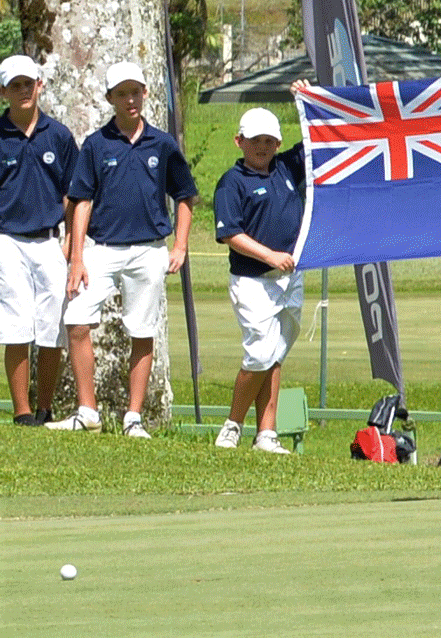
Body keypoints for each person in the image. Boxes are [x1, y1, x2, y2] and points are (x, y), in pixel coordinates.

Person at [46, 62, 198, 435]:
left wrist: (180, 245)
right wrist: (77, 258)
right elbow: (82, 201)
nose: (130, 100)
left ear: (144, 94)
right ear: (110, 98)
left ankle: (134, 417)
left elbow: (184, 195)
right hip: (102, 249)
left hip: (149, 250)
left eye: (135, 92)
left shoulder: (162, 143)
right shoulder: (96, 144)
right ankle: (88, 412)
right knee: (76, 321)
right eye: (121, 94)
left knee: (142, 332)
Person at [211, 103, 309, 454]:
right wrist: (270, 256)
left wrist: (305, 100)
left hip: (289, 279)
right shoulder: (232, 182)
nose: (262, 147)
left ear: (278, 143)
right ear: (239, 141)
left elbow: (316, 139)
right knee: (259, 355)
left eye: (269, 141)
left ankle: (266, 433)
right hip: (253, 280)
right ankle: (232, 425)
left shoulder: (285, 168)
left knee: (275, 353)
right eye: (255, 140)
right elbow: (230, 233)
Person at [1, 55, 77, 427]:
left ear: (39, 85)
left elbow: (72, 193)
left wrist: (71, 242)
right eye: (15, 85)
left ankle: (45, 408)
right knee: (16, 325)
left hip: (50, 241)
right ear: (3, 92)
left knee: (52, 327)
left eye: (28, 84)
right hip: (7, 239)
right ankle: (22, 411)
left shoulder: (58, 135)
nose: (23, 91)